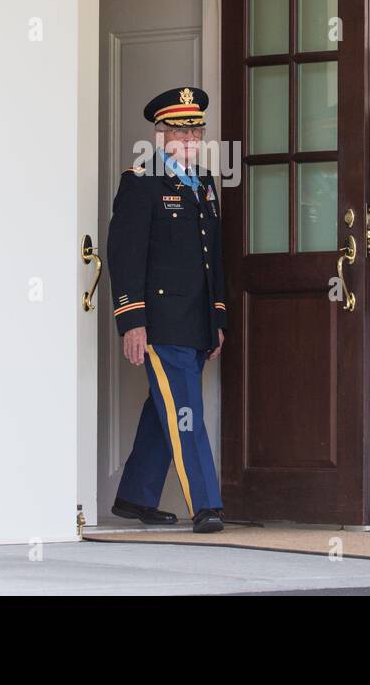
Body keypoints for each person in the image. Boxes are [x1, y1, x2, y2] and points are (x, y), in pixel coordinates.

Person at [106, 86, 228, 534]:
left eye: (196, 131)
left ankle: (135, 496)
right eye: (181, 133)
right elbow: (125, 253)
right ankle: (207, 504)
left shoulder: (205, 182)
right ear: (160, 137)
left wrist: (217, 317)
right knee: (186, 409)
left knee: (166, 404)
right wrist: (131, 320)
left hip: (196, 320)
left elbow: (213, 254)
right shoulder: (140, 181)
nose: (191, 140)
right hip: (160, 320)